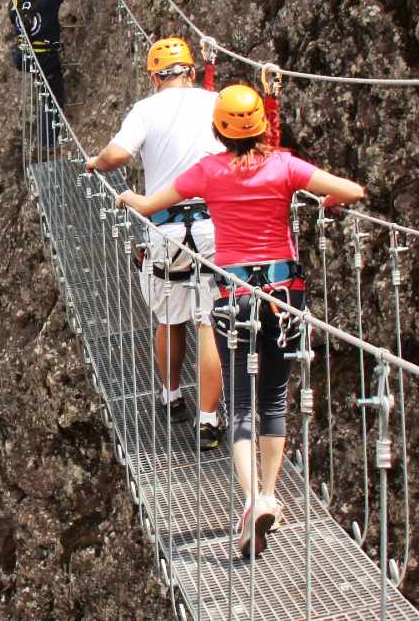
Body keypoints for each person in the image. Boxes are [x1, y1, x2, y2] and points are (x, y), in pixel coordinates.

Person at [114, 85, 365, 557]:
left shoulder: (208, 171)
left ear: (219, 131)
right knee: (274, 399)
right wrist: (326, 202)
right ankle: (269, 493)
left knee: (240, 404)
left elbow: (149, 206)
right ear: (262, 128)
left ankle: (251, 500)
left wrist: (127, 194)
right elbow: (352, 190)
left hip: (235, 296)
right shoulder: (286, 167)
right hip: (283, 298)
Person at [86, 38, 225, 451]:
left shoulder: (146, 110)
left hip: (164, 228)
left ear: (154, 77)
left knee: (170, 317)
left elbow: (117, 154)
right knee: (208, 321)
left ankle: (170, 395)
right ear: (191, 71)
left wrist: (95, 162)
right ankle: (207, 419)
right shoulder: (216, 102)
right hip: (213, 226)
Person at [9, 0, 101, 146]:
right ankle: (48, 143)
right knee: (53, 99)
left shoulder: (14, 2)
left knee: (46, 95)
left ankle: (47, 141)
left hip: (25, 56)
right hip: (45, 58)